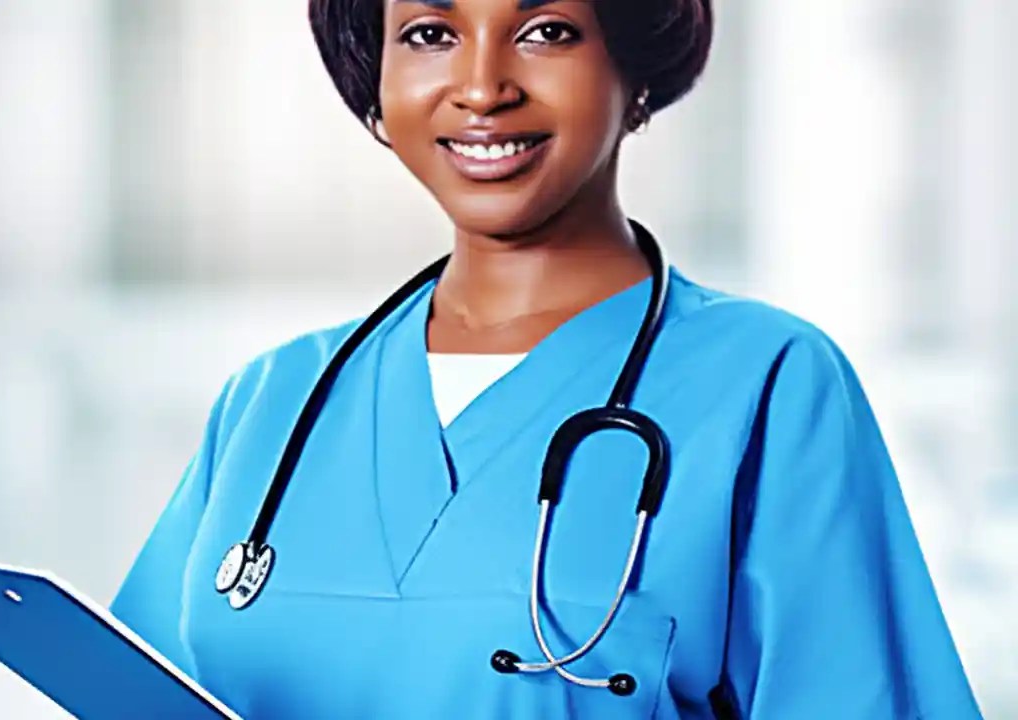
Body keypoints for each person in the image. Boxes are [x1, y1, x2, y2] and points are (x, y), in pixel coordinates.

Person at [111, 0, 982, 717]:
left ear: (634, 70)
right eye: (429, 34)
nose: (482, 87)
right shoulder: (275, 398)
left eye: (546, 32)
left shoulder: (767, 383)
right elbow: (138, 685)